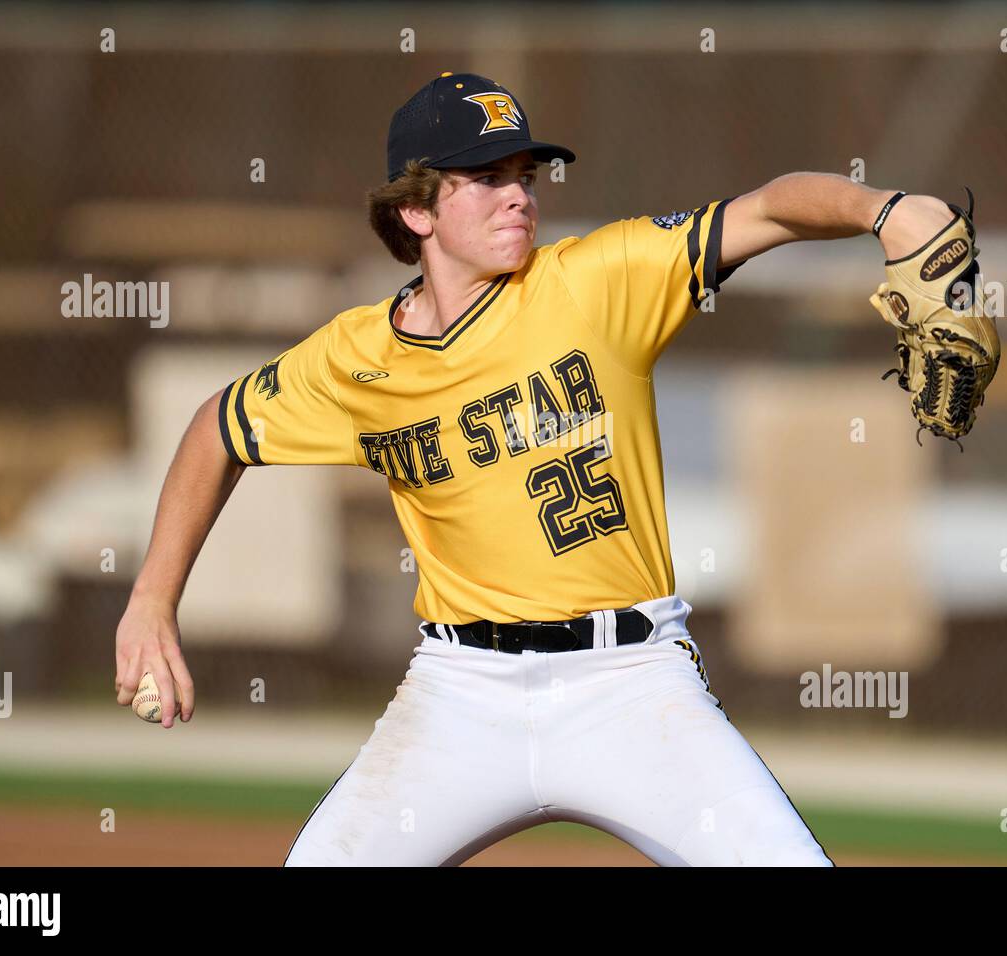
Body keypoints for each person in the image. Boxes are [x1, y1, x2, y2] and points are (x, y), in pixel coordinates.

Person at [114, 72, 955, 866]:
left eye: (525, 170)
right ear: (415, 211)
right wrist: (153, 598)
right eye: (485, 176)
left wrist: (884, 209)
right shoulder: (355, 360)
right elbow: (215, 428)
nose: (519, 191)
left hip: (631, 683)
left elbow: (770, 208)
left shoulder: (596, 283)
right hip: (460, 693)